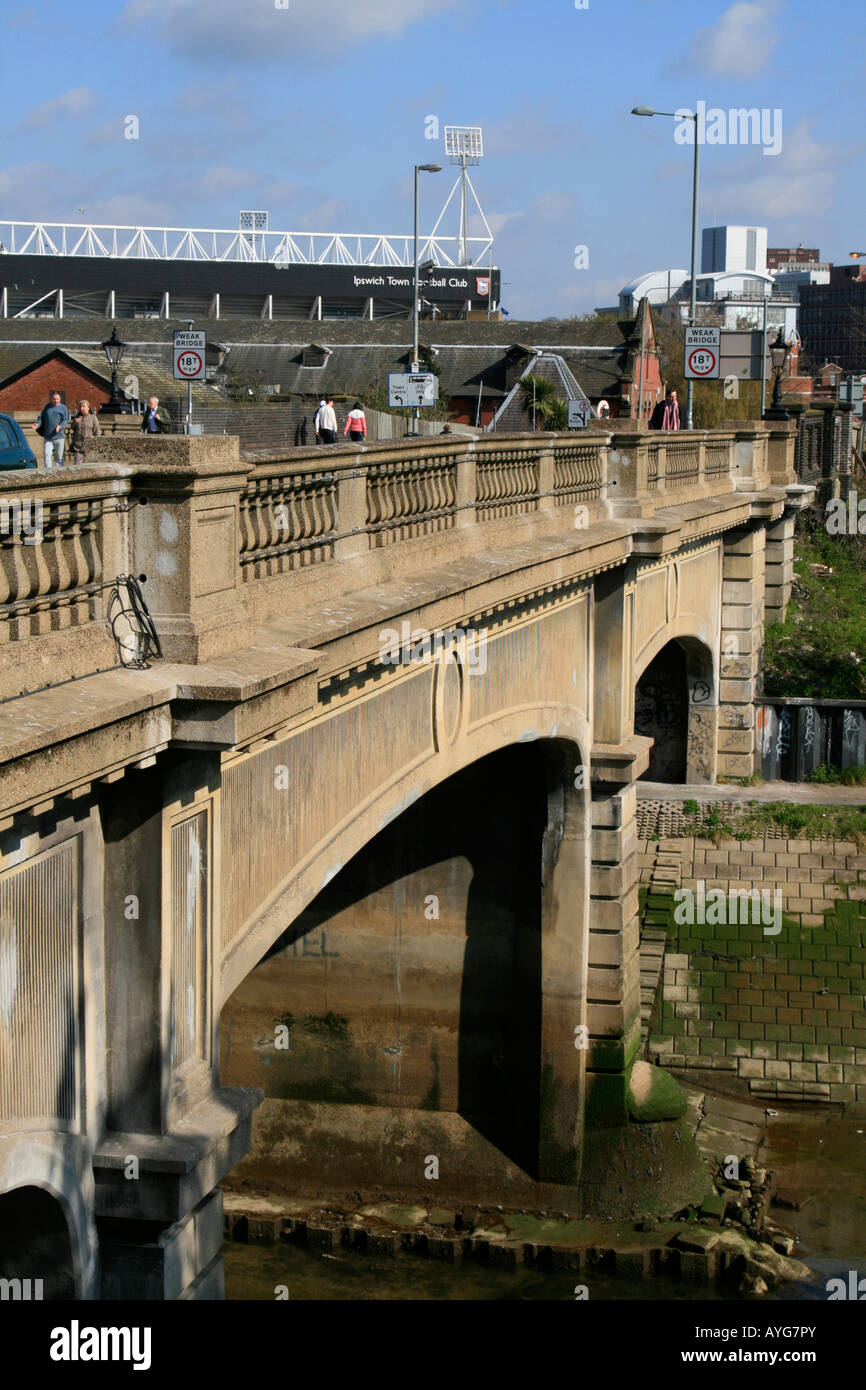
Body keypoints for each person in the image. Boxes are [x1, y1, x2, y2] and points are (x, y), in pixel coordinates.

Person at [33, 390, 69, 468]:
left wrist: (60, 426)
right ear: (51, 399)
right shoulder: (47, 407)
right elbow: (41, 417)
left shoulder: (63, 408)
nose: (55, 401)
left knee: (59, 457)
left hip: (59, 436)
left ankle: (60, 472)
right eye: (54, 399)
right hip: (48, 436)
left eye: (57, 399)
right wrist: (38, 424)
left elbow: (65, 419)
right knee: (47, 454)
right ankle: (48, 471)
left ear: (60, 399)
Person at [70, 398, 100, 465]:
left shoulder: (93, 417)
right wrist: (75, 422)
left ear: (88, 408)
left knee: (90, 466)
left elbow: (97, 431)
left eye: (83, 406)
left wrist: (96, 443)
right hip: (78, 446)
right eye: (80, 406)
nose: (81, 408)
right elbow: (72, 428)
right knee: (77, 466)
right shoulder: (77, 417)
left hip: (89, 446)